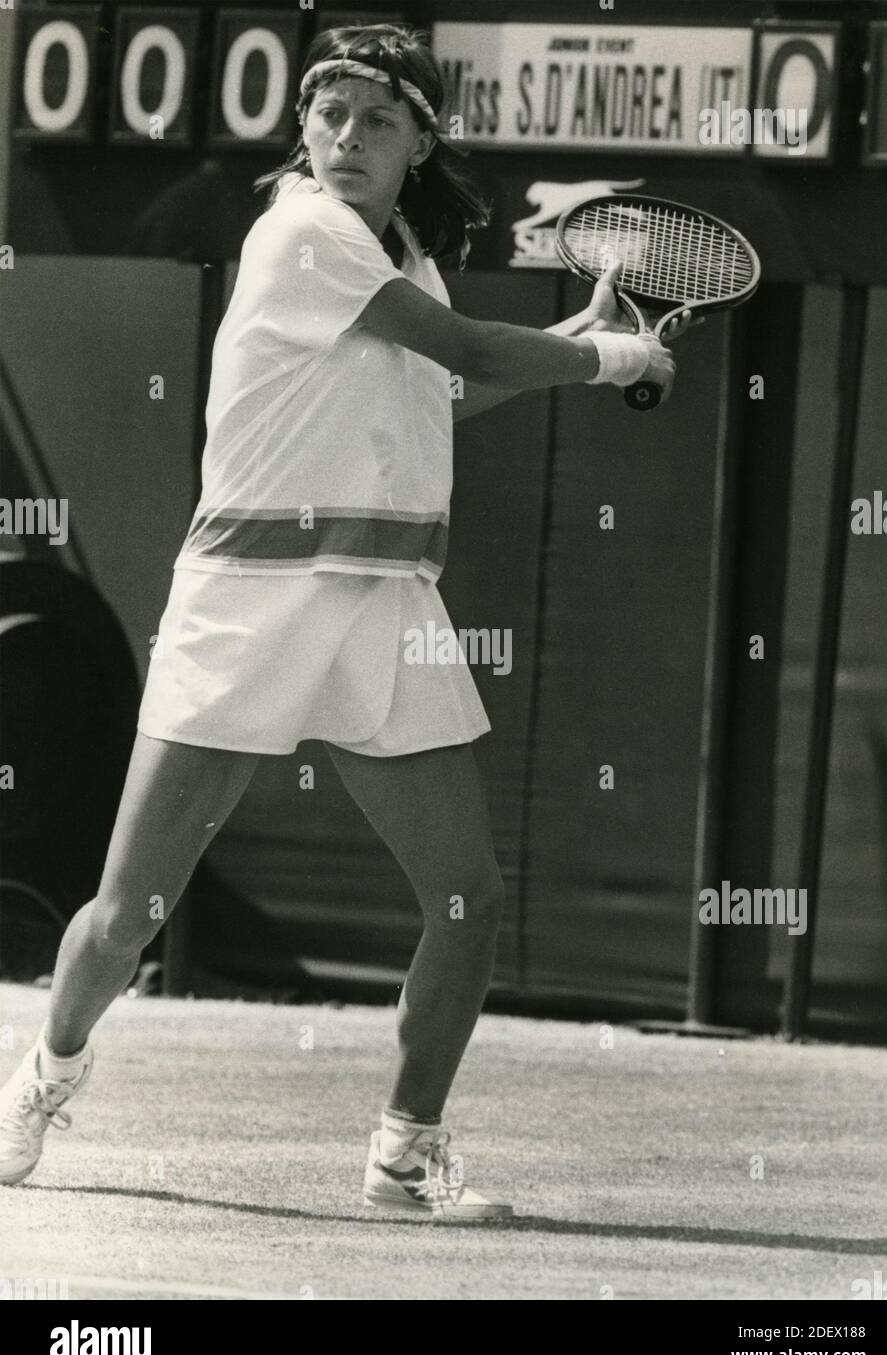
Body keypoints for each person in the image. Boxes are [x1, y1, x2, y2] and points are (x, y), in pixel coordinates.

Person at [0, 24, 681, 1219]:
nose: (348, 137)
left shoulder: (402, 256)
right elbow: (468, 345)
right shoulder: (302, 231)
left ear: (422, 139)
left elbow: (445, 389)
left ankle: (404, 1152)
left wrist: (575, 343)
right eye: (331, 115)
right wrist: (614, 353)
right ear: (304, 130)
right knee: (128, 916)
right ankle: (44, 1075)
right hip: (251, 601)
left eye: (378, 118)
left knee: (468, 898)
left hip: (382, 605)